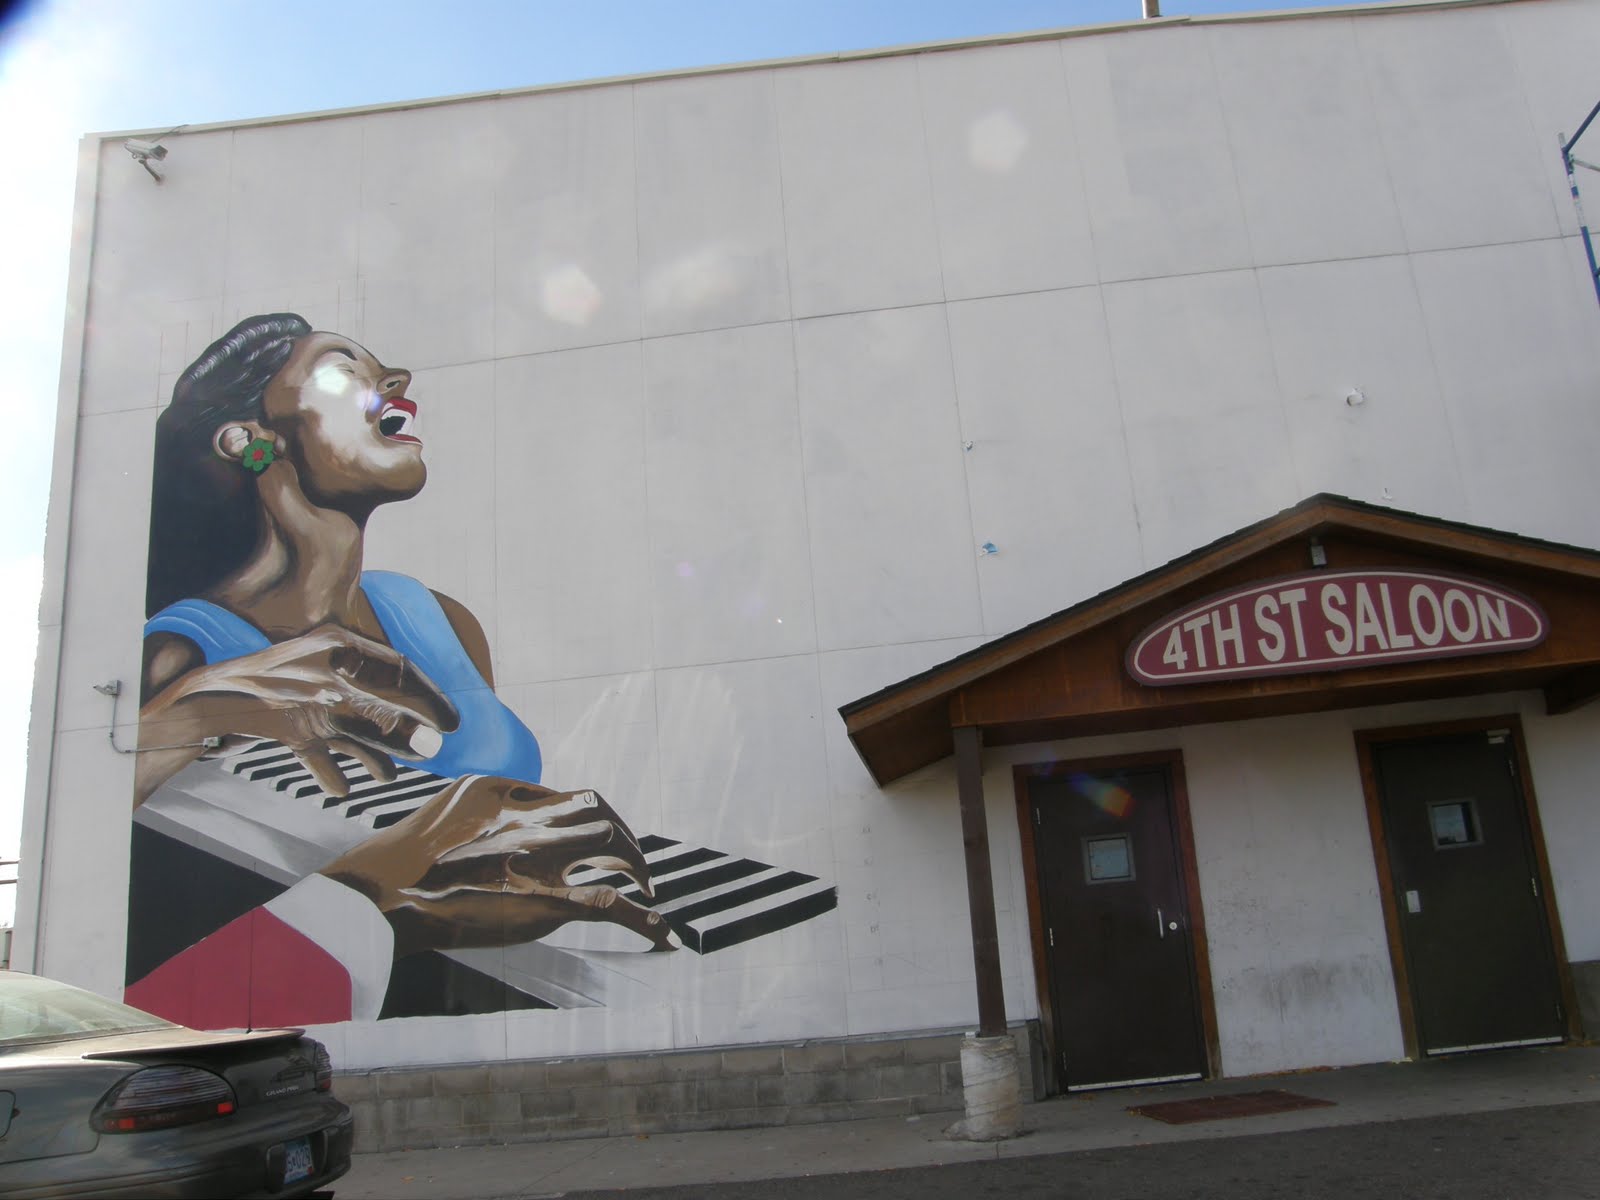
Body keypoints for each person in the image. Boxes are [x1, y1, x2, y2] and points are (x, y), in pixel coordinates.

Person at [127, 314, 675, 1027]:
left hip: (492, 976)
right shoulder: (184, 649)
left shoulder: (437, 617)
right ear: (249, 439)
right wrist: (179, 720)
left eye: (383, 368)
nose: (395, 381)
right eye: (338, 368)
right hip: (328, 998)